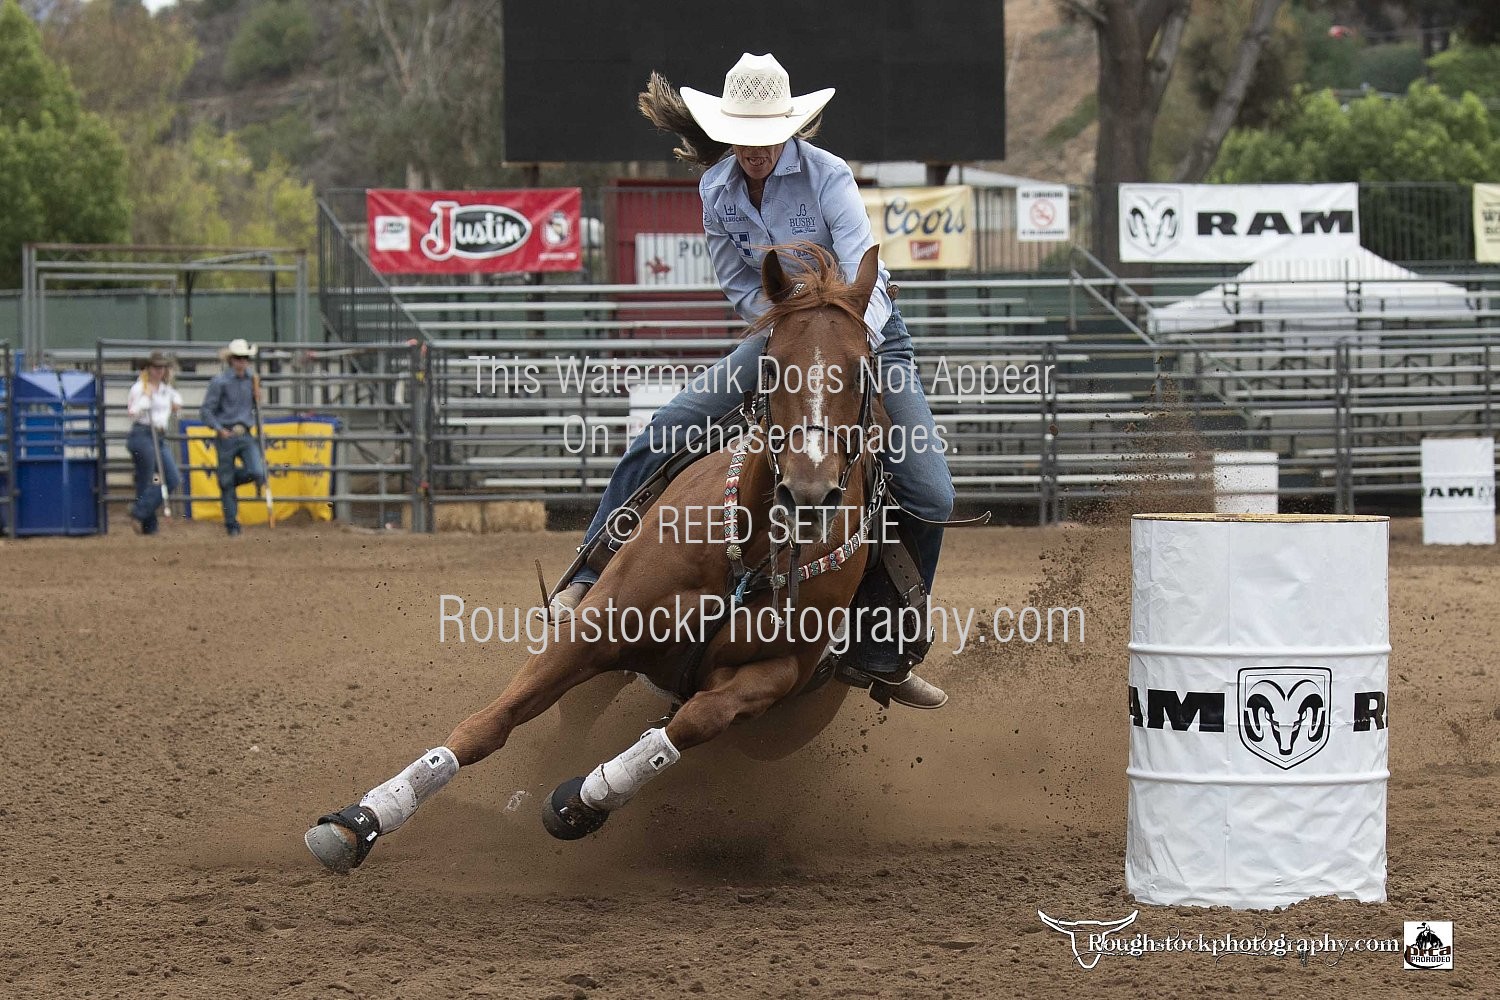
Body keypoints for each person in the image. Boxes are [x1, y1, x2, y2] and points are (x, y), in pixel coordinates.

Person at [553, 53, 956, 709]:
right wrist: (793, 330)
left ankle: (883, 641)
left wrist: (842, 339)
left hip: (866, 335)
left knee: (931, 492)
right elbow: (741, 287)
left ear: (790, 129)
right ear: (728, 128)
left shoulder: (829, 177)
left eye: (767, 134)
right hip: (781, 338)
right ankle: (592, 572)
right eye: (744, 133)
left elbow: (866, 272)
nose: (755, 147)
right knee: (670, 426)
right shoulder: (717, 189)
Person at [200, 338, 267, 537]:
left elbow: (256, 407)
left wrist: (258, 397)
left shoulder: (252, 380)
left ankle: (227, 481)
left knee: (256, 471)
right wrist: (219, 429)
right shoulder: (219, 382)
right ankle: (232, 524)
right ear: (231, 360)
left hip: (245, 433)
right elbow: (207, 410)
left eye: (245, 358)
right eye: (238, 358)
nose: (242, 361)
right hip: (227, 434)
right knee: (231, 479)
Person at [125, 350, 183, 535]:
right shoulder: (139, 388)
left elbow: (176, 402)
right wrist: (145, 399)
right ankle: (149, 526)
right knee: (149, 478)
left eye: (162, 367)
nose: (159, 371)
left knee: (171, 477)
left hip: (158, 435)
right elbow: (133, 412)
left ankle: (139, 512)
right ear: (149, 368)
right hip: (142, 434)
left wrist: (175, 403)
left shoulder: (167, 390)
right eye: (156, 367)